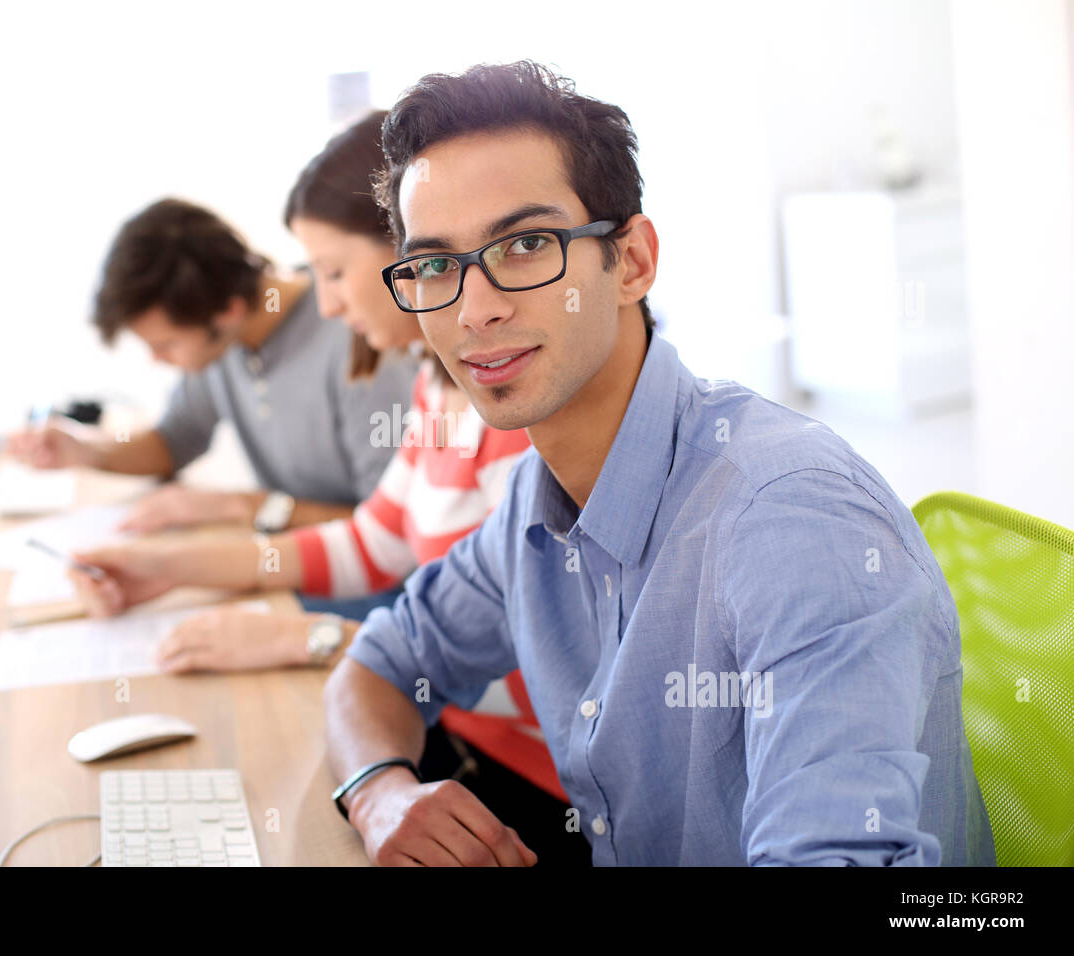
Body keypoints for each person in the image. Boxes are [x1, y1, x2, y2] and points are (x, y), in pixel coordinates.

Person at [321, 61, 996, 867]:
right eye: (435, 265)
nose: (476, 310)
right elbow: (378, 664)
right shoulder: (536, 503)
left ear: (632, 262)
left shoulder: (791, 517)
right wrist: (379, 791)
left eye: (526, 244)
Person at [67, 113, 591, 864]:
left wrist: (302, 637)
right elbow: (369, 542)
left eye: (335, 272)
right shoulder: (439, 391)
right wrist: (164, 568)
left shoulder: (524, 413)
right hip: (455, 743)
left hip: (535, 791)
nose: (329, 304)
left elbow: (558, 676)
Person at [4, 198, 417, 535]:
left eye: (166, 345)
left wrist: (237, 506)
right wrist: (87, 449)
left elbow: (389, 529)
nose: (157, 360)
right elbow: (173, 441)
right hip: (294, 561)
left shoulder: (362, 338)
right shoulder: (224, 344)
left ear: (228, 311)